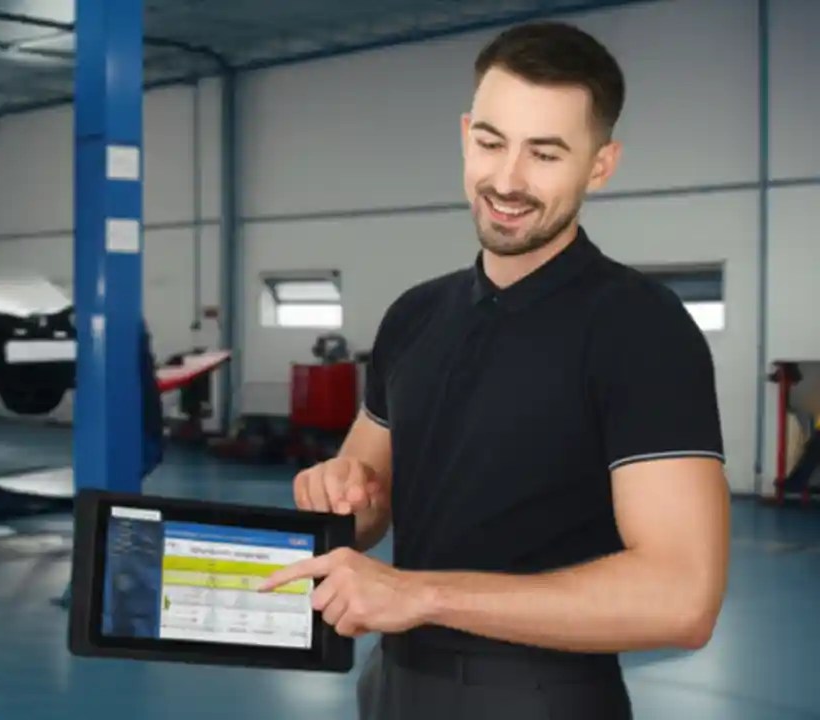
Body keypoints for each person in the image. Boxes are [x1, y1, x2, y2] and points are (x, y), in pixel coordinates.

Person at [258, 20, 730, 720]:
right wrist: (341, 495)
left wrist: (424, 594)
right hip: (391, 681)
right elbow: (361, 512)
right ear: (464, 134)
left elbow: (681, 598)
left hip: (542, 697)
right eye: (490, 142)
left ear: (600, 165)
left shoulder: (641, 328)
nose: (507, 180)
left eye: (545, 153)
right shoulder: (415, 314)